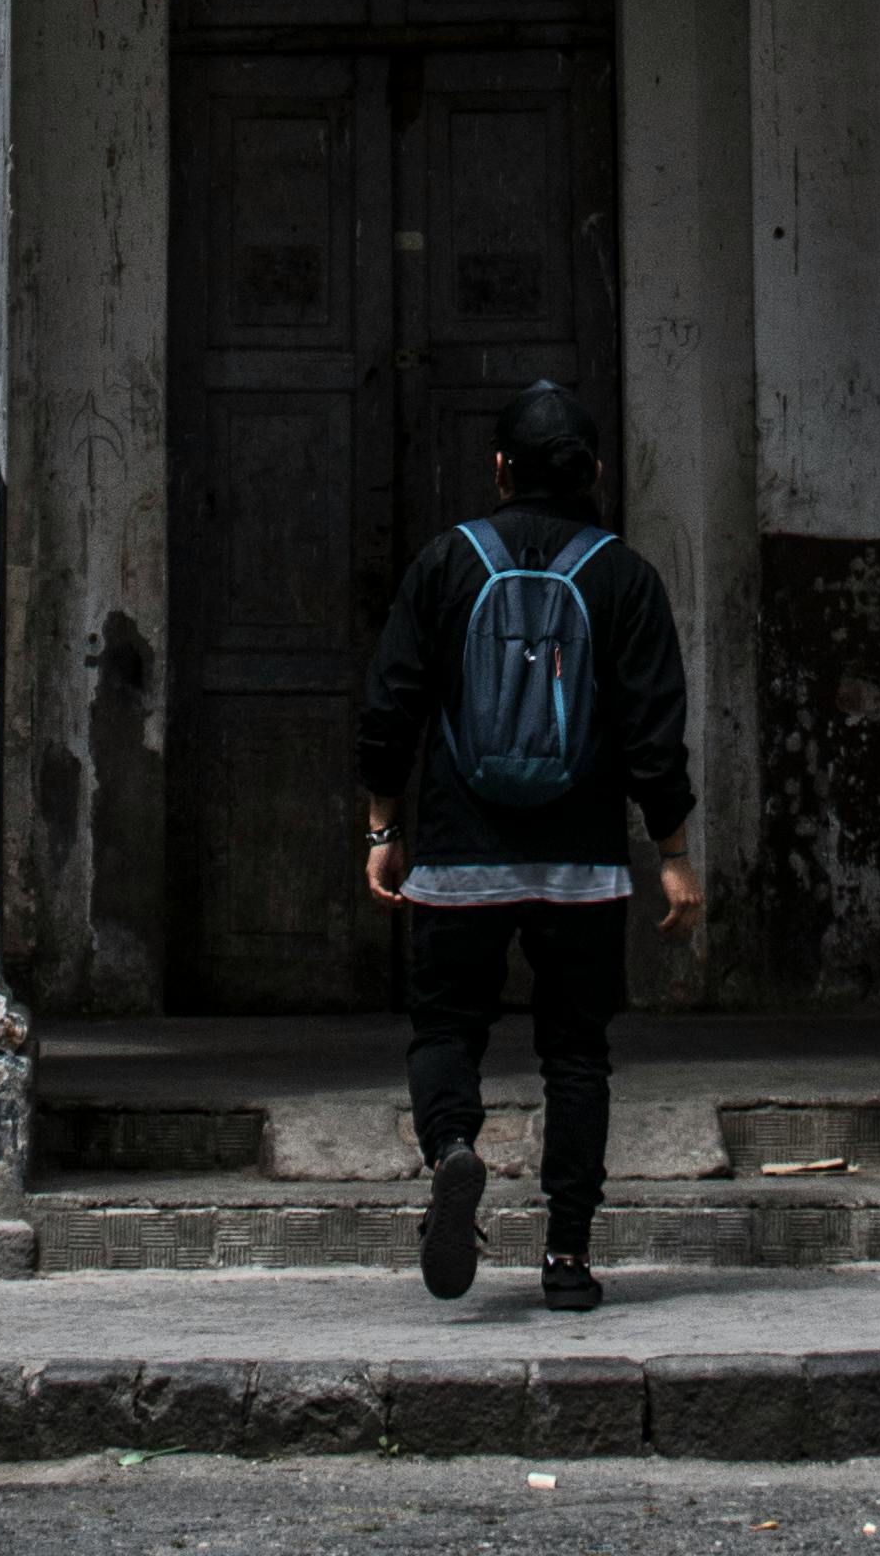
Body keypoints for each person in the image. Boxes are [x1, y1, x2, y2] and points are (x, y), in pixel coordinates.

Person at [357, 381, 699, 1313]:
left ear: (499, 469)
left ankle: (456, 1150)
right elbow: (652, 736)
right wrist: (670, 851)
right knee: (577, 1055)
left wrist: (386, 829)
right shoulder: (624, 577)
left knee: (444, 1030)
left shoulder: (447, 563)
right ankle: (567, 1260)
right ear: (592, 472)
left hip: (461, 859)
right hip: (581, 871)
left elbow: (392, 708)